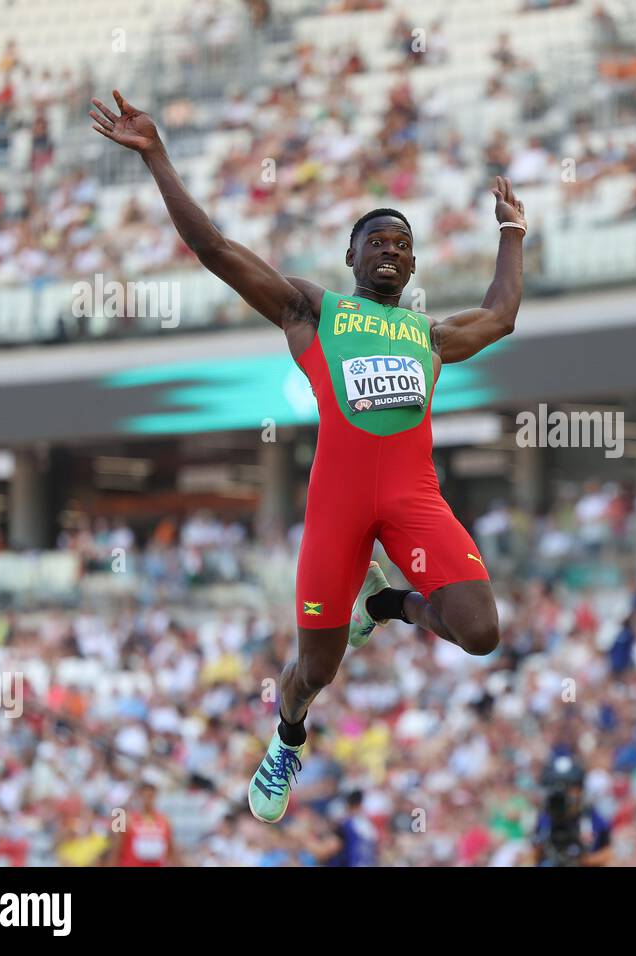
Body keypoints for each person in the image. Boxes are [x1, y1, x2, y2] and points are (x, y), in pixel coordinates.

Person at [90, 90, 528, 824]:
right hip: (339, 513)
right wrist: (158, 157)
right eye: (377, 240)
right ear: (350, 256)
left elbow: (502, 314)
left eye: (403, 243)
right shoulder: (313, 311)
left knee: (482, 632)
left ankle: (390, 602)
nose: (391, 248)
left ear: (413, 263)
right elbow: (216, 251)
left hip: (415, 503)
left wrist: (512, 232)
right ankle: (288, 738)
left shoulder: (428, 335)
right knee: (313, 673)